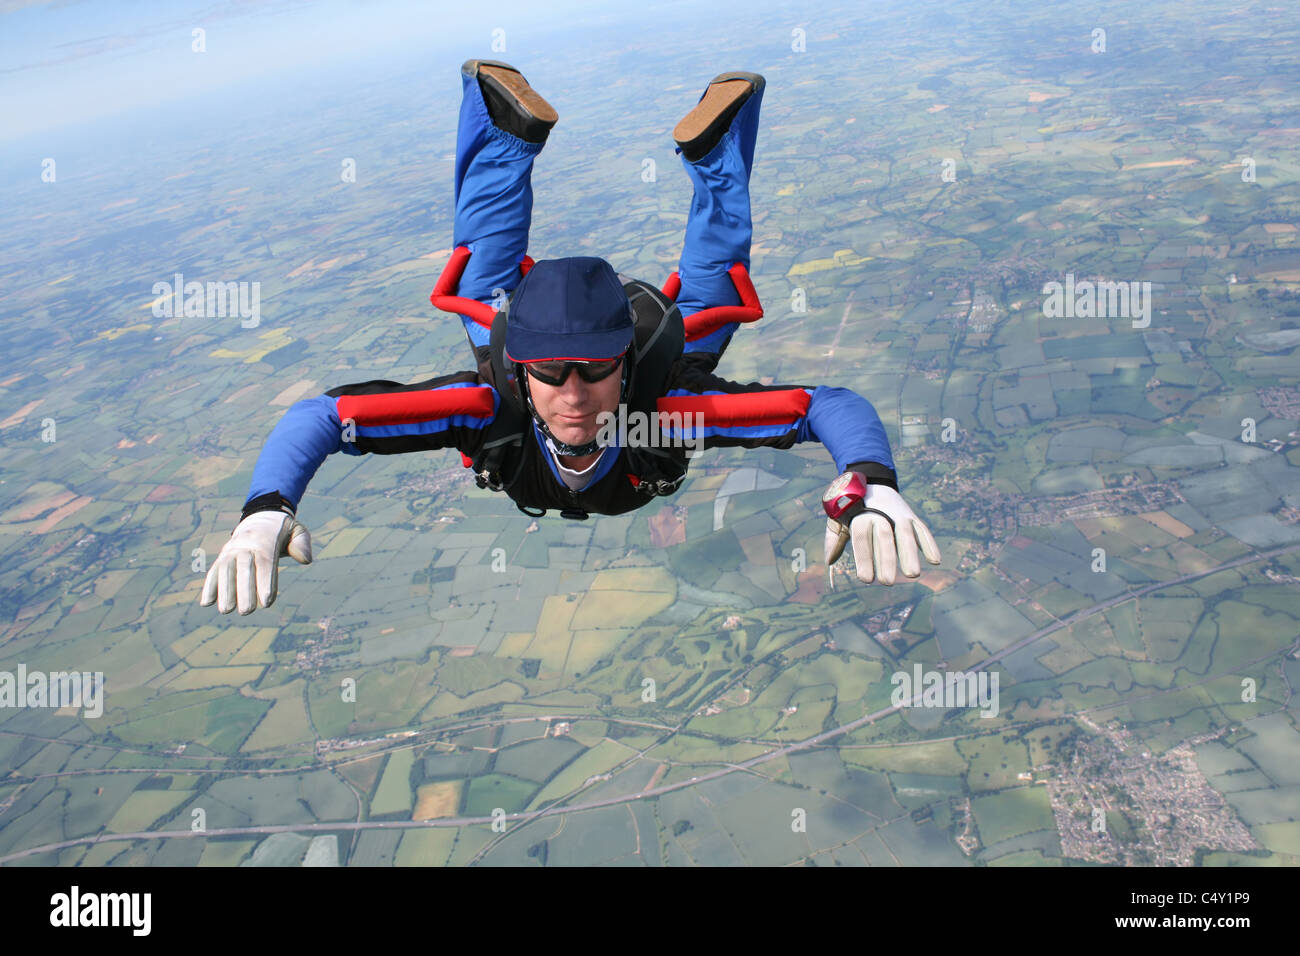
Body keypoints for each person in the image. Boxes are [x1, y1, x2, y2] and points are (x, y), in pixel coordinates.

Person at [200, 60, 941, 616]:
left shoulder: (654, 406)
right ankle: (697, 153)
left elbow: (826, 405)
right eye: (551, 372)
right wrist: (267, 506)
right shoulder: (505, 398)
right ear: (524, 374)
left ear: (622, 363)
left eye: (592, 369)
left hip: (623, 353)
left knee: (520, 293)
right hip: (545, 358)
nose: (574, 394)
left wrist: (871, 483)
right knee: (671, 291)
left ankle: (501, 136)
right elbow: (321, 420)